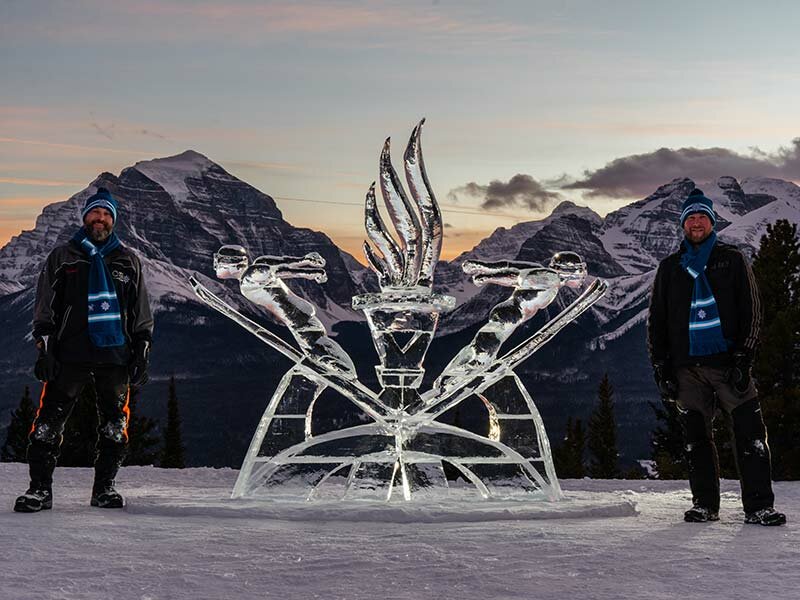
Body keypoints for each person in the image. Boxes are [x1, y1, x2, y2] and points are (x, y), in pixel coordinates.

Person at [647, 188, 785, 526]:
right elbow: (657, 321)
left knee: (751, 436)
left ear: (712, 222)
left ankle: (758, 507)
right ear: (683, 224)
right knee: (696, 442)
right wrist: (662, 368)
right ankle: (705, 505)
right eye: (691, 217)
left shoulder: (732, 260)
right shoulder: (670, 269)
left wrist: (744, 359)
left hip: (728, 366)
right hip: (686, 370)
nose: (697, 222)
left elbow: (752, 311)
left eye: (702, 217)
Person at [14, 187, 153, 513]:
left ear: (113, 220)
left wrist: (142, 351)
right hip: (69, 354)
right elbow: (44, 307)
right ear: (85, 217)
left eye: (106, 214)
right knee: (48, 422)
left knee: (115, 423)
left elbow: (140, 312)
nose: (100, 219)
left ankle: (104, 488)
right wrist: (44, 349)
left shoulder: (128, 261)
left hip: (115, 355)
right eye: (95, 213)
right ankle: (39, 491)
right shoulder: (63, 257)